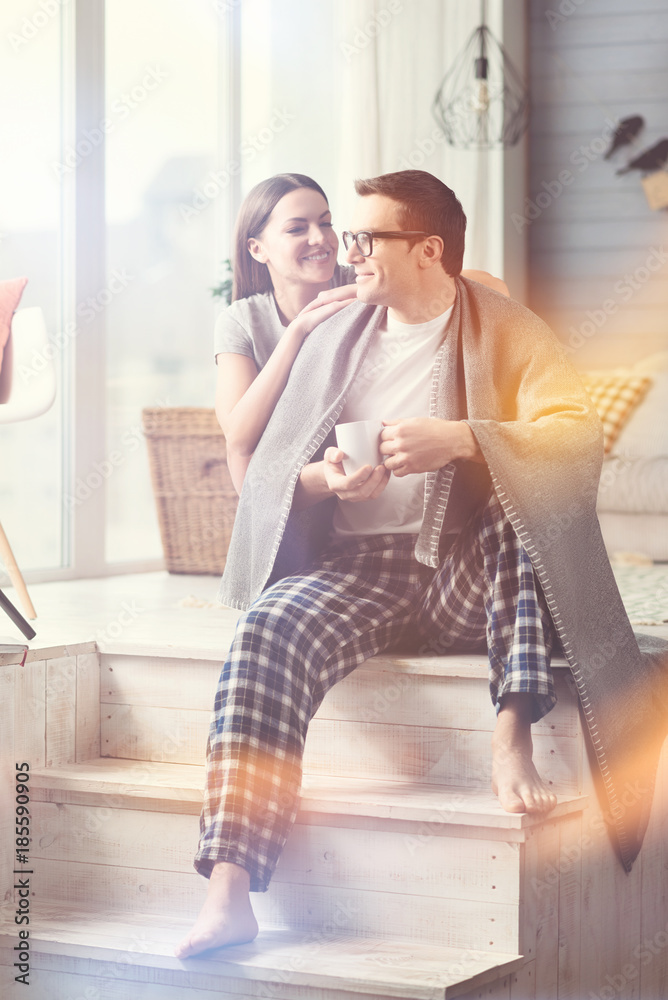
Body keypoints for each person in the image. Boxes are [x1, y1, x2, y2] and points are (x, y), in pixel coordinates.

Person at [176, 169, 668, 961]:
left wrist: (465, 439)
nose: (346, 253)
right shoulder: (335, 333)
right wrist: (328, 479)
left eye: (364, 238)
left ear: (427, 251)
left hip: (467, 570)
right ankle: (229, 892)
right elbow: (268, 472)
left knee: (519, 509)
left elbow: (576, 438)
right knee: (265, 632)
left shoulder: (507, 327)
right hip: (359, 572)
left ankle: (510, 735)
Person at [213, 172, 508, 492]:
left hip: (368, 465)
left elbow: (494, 287)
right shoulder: (241, 320)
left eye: (325, 223)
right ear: (257, 249)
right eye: (297, 229)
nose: (320, 238)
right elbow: (239, 440)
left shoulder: (362, 279)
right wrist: (296, 331)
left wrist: (366, 291)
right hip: (303, 478)